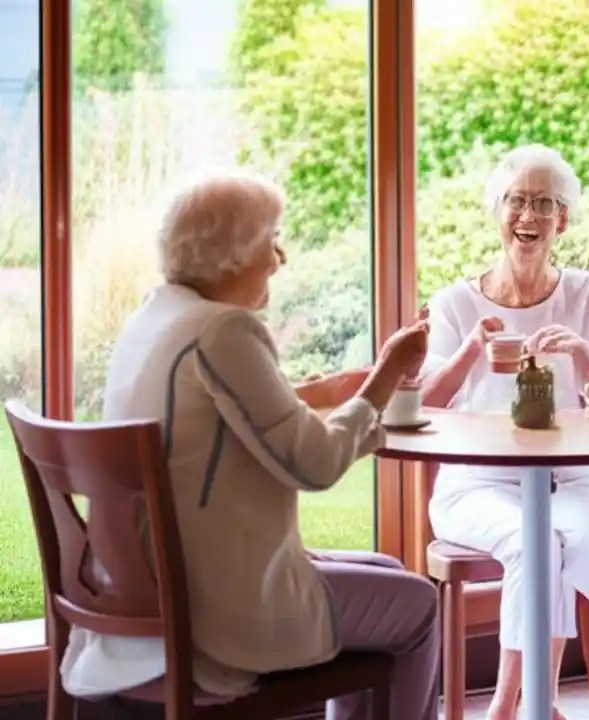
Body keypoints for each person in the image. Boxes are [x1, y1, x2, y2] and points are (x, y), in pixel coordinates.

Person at [61, 172, 440, 720]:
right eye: (271, 240)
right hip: (214, 611)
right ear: (233, 253)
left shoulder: (159, 317)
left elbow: (218, 420)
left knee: (387, 567)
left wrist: (321, 394)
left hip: (146, 586)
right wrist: (386, 375)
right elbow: (314, 465)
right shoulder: (225, 330)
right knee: (421, 605)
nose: (279, 257)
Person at [421, 145, 589, 720]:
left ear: (562, 220)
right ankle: (516, 706)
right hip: (475, 484)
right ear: (498, 212)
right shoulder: (454, 303)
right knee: (536, 540)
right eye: (517, 201)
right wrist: (470, 351)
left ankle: (531, 704)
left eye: (544, 204)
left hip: (574, 478)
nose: (528, 216)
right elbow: (423, 403)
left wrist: (584, 351)